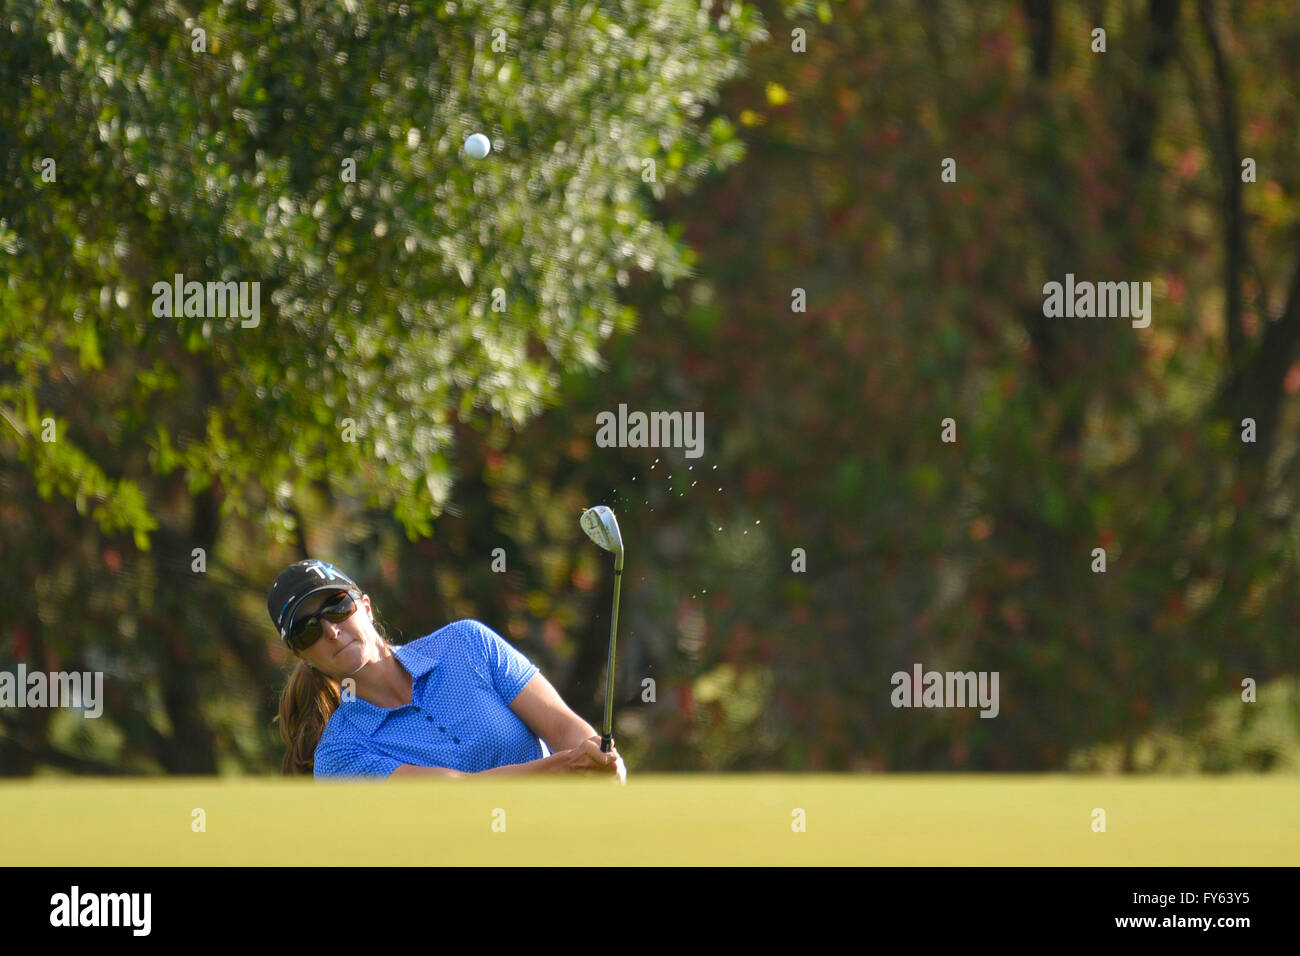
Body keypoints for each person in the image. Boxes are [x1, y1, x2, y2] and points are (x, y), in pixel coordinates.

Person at [267, 559, 624, 780]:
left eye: (336, 606)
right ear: (302, 655)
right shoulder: (339, 756)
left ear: (366, 606)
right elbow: (458, 798)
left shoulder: (467, 643)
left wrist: (599, 761)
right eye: (308, 629)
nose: (331, 630)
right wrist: (566, 767)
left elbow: (562, 725)